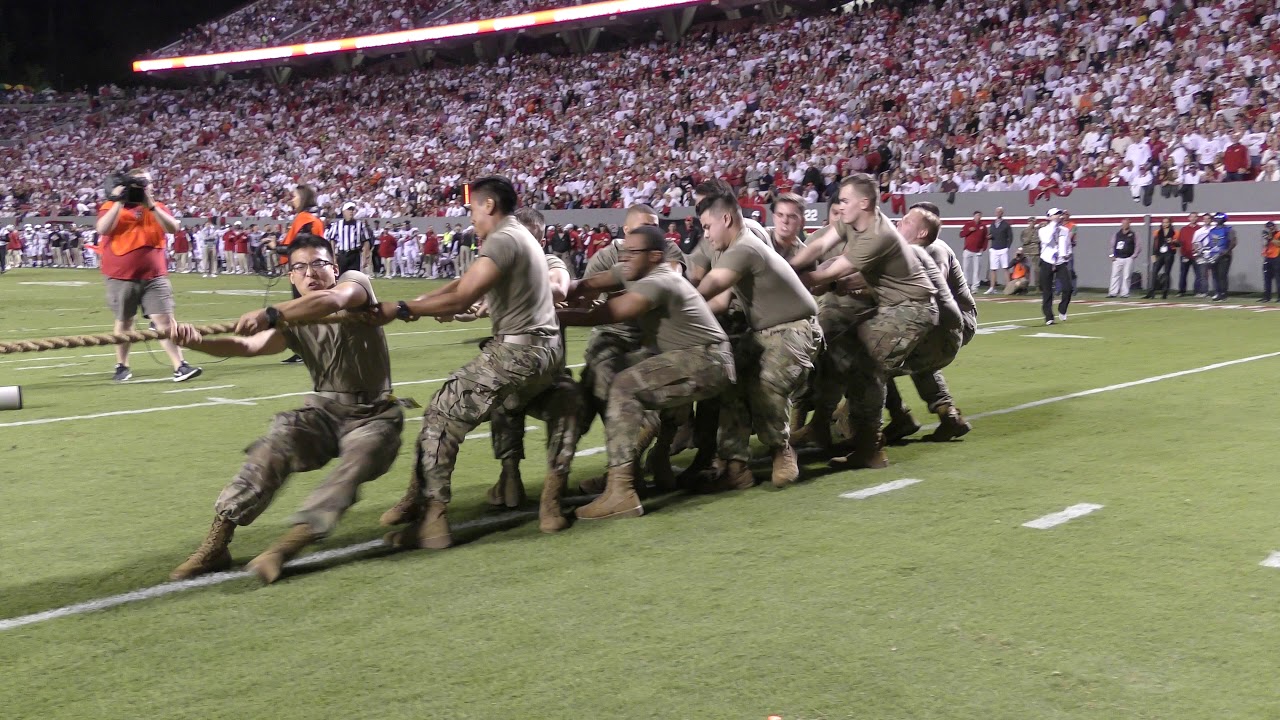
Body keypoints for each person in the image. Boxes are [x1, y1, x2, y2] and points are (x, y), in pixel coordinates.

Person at [168, 233, 403, 584]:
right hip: (324, 412)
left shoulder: (355, 285)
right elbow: (249, 347)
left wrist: (271, 313)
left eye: (319, 264)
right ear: (291, 276)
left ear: (335, 268)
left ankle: (284, 549)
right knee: (272, 447)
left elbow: (332, 299)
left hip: (374, 415)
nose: (311, 273)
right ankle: (216, 544)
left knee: (355, 466)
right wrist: (199, 343)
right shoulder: (290, 318)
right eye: (300, 268)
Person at [375, 176, 575, 546]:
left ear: (488, 205)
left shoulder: (503, 238)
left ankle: (432, 519)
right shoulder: (519, 236)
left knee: (441, 410)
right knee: (490, 400)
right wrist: (425, 300)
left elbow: (462, 295)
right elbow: (463, 287)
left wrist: (403, 309)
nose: (471, 218)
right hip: (544, 353)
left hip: (521, 350)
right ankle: (491, 488)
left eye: (472, 209)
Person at [559, 225, 734, 518]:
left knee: (624, 387)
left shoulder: (660, 280)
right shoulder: (633, 270)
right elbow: (586, 284)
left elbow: (613, 312)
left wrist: (556, 315)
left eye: (632, 252)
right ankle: (649, 468)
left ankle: (621, 491)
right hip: (687, 356)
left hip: (708, 360)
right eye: (623, 250)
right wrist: (552, 289)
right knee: (605, 371)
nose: (624, 257)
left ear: (654, 256)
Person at [788, 174, 937, 468]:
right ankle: (823, 427)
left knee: (864, 368)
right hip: (890, 307)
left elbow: (826, 275)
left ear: (864, 203)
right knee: (839, 353)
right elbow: (818, 247)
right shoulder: (851, 220)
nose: (839, 207)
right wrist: (788, 266)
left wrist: (780, 277)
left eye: (844, 201)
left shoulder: (877, 235)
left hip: (912, 310)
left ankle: (871, 448)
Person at [694, 188, 821, 489]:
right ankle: (735, 466)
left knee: (768, 382)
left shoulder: (745, 245)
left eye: (707, 227)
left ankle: (782, 450)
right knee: (730, 380)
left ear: (726, 219)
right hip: (763, 333)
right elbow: (720, 300)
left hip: (795, 329)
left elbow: (706, 289)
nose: (706, 235)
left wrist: (661, 302)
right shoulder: (734, 246)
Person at [95, 168, 202, 383]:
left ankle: (179, 365)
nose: (146, 186)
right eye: (141, 182)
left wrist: (150, 205)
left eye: (148, 182)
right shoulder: (111, 206)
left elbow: (173, 228)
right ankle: (122, 365)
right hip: (121, 275)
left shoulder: (157, 207)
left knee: (164, 320)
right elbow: (103, 229)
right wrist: (119, 200)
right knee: (125, 321)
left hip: (154, 275)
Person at [881, 207, 971, 444]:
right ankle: (947, 414)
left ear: (922, 231)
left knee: (878, 359)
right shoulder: (913, 250)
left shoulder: (934, 248)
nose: (900, 222)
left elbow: (932, 285)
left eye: (908, 220)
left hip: (952, 322)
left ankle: (896, 417)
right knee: (919, 361)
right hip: (943, 322)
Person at [279, 184, 326, 364]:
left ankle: (310, 349)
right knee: (305, 309)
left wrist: (276, 248)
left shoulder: (305, 218)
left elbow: (299, 245)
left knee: (304, 309)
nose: (292, 200)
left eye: (295, 196)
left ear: (303, 198)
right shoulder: (310, 217)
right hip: (310, 266)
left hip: (306, 268)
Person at [1038, 208, 1074, 325]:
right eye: (1056, 214)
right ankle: (1049, 317)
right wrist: (1053, 224)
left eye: (1060, 214)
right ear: (1049, 217)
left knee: (1068, 288)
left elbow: (1068, 244)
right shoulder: (1043, 230)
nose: (1059, 216)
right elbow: (1047, 239)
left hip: (1060, 261)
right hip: (1046, 260)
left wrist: (1068, 254)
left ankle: (1062, 309)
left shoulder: (1064, 230)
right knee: (1047, 290)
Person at [327, 201, 373, 274]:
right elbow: (332, 241)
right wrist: (333, 257)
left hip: (355, 254)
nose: (351, 212)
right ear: (343, 211)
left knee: (354, 278)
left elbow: (366, 241)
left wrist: (365, 257)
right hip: (342, 255)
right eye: (349, 209)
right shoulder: (337, 225)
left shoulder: (360, 225)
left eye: (352, 210)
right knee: (341, 278)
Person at [1144, 218, 1178, 300]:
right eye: (1163, 222)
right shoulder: (1157, 232)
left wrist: (1172, 241)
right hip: (1159, 254)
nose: (1165, 224)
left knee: (1167, 273)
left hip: (1169, 254)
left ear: (1169, 223)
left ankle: (1165, 292)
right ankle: (1151, 291)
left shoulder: (1174, 232)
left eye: (1167, 222)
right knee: (1154, 271)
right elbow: (1155, 244)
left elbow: (1178, 244)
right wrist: (1153, 255)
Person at [1206, 213, 1237, 301]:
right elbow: (1211, 243)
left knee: (1222, 275)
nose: (1218, 220)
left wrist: (1227, 251)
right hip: (1213, 255)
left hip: (1224, 256)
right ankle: (1217, 292)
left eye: (1220, 218)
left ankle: (1223, 294)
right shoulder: (1211, 231)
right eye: (1217, 218)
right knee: (1215, 275)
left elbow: (1233, 241)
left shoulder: (1228, 230)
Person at [1108, 218, 1138, 298]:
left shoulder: (1133, 234)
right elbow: (1111, 246)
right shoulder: (1117, 234)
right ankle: (1113, 292)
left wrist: (1133, 256)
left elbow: (1138, 246)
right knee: (1114, 275)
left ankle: (1124, 293)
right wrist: (1111, 255)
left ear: (1129, 224)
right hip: (1117, 258)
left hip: (1128, 258)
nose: (1124, 225)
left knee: (1126, 276)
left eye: (1126, 223)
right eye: (1123, 224)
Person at [1176, 212, 1204, 297]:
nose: (1193, 218)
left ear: (1197, 218)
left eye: (1195, 217)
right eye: (1191, 217)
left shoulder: (1200, 229)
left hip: (1196, 256)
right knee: (1183, 274)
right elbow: (1180, 243)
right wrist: (1180, 254)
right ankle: (1181, 291)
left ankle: (1197, 291)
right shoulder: (1184, 229)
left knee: (1198, 274)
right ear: (1188, 218)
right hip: (1185, 255)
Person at [959, 211, 988, 289]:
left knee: (977, 269)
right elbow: (961, 234)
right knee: (965, 268)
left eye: (979, 216)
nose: (978, 217)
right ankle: (965, 285)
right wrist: (969, 230)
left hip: (978, 251)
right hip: (968, 250)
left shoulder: (983, 226)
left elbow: (986, 238)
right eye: (976, 215)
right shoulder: (968, 224)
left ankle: (975, 286)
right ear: (974, 216)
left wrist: (983, 248)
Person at [987, 207, 1013, 294]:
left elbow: (1010, 237)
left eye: (1000, 212)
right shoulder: (992, 224)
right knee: (993, 269)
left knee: (1005, 268)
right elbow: (991, 234)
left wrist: (1007, 247)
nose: (998, 213)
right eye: (997, 211)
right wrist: (989, 237)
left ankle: (1008, 288)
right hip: (994, 248)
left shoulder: (1006, 224)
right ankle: (992, 287)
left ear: (1002, 213)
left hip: (1003, 249)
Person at [1261, 222, 1280, 303]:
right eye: (1268, 227)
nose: (1270, 228)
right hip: (1268, 258)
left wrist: (1270, 238)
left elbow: (1278, 244)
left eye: (1271, 226)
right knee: (1266, 279)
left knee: (1278, 279)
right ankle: (1266, 297)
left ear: (1274, 226)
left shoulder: (1278, 234)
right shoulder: (1267, 234)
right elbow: (1265, 246)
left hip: (1277, 257)